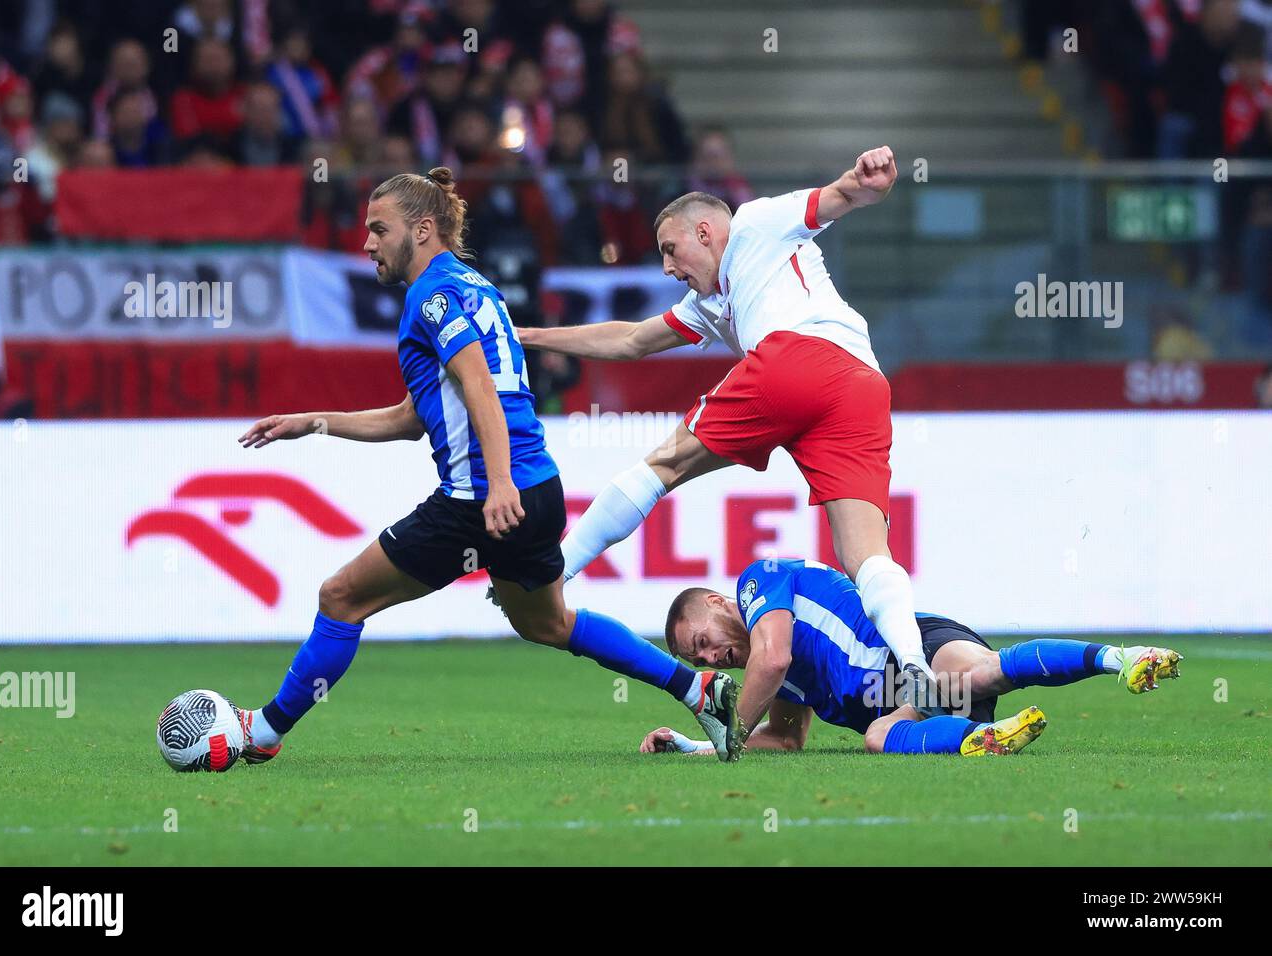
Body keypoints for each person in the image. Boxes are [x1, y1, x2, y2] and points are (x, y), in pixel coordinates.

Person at [232, 168, 745, 762]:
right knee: (549, 623)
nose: (367, 243)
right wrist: (315, 421)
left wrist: (497, 483)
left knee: (342, 597)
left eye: (379, 229)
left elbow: (480, 386)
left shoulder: (435, 294)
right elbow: (414, 416)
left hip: (480, 499)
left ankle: (262, 733)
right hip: (536, 490)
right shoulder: (474, 287)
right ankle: (698, 688)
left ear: (422, 231)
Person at [517, 146, 939, 700]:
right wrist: (526, 336)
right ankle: (916, 668)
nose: (668, 268)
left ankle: (553, 574)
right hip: (860, 386)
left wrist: (869, 183)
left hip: (798, 359)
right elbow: (631, 339)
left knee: (664, 465)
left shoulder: (756, 223)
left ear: (707, 230)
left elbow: (838, 196)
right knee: (864, 553)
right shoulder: (712, 302)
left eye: (671, 250)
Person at [640, 558, 1182, 757]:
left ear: (717, 602)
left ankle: (1123, 657)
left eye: (702, 641)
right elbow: (785, 739)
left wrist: (724, 731)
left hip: (909, 646)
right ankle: (981, 739)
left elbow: (773, 657)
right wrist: (692, 745)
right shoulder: (772, 680)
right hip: (896, 698)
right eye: (700, 657)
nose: (712, 656)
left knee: (983, 673)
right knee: (880, 735)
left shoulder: (759, 582)